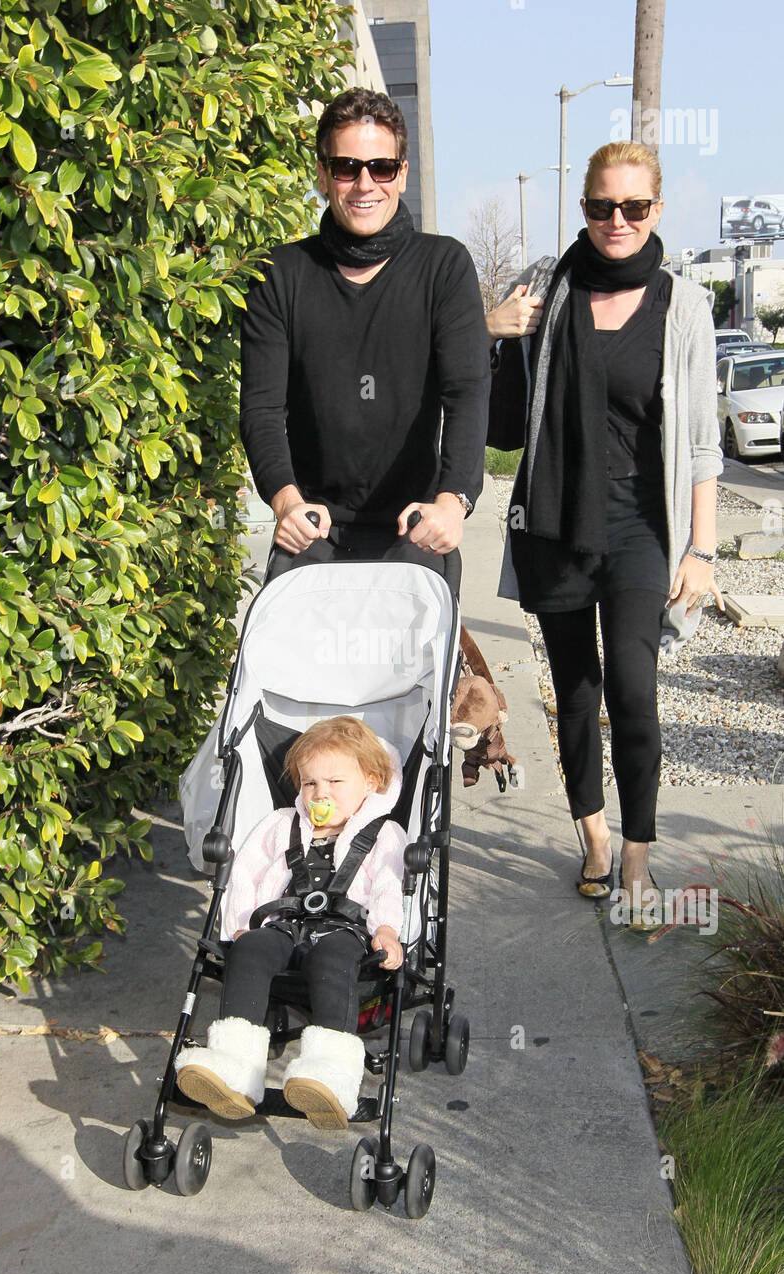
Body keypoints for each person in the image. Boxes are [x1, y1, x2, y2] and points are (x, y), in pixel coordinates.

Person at [489, 142, 723, 928]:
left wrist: (702, 547)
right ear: (582, 208)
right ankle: (592, 838)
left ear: (658, 211)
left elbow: (698, 442)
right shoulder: (544, 293)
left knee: (632, 691)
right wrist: (496, 333)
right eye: (600, 207)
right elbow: (494, 418)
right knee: (575, 690)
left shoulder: (682, 305)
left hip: (638, 524)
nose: (615, 221)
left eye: (633, 207)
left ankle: (636, 857)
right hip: (557, 518)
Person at [239, 88, 491, 584]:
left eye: (380, 167)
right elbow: (262, 410)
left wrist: (452, 502)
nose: (363, 184)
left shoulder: (444, 266)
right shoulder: (279, 274)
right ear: (322, 173)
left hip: (414, 528)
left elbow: (466, 393)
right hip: (314, 529)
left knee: (416, 659)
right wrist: (287, 501)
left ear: (402, 172)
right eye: (346, 167)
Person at [175, 717, 407, 1128]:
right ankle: (234, 1066)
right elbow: (245, 873)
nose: (320, 794)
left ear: (370, 782)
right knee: (248, 949)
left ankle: (329, 1073)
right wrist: (241, 926)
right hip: (283, 924)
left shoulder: (384, 833)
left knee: (333, 962)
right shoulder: (282, 824)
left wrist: (387, 930)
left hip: (346, 932)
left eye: (335, 783)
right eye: (309, 783)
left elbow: (390, 884)